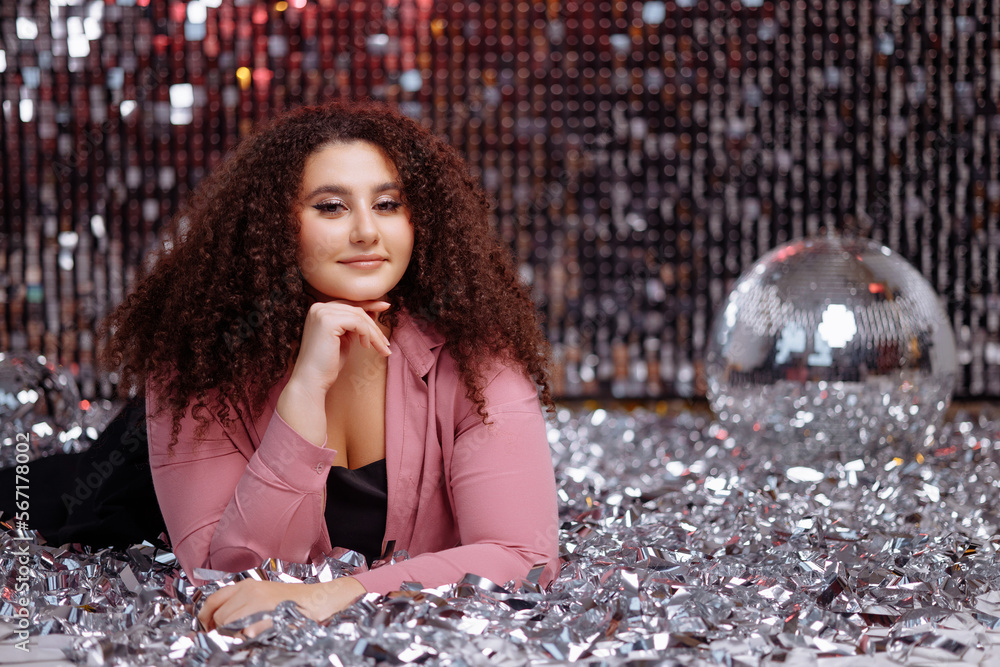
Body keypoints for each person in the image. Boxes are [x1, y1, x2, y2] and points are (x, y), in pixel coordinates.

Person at [100, 99, 560, 633]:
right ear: (272, 226)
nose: (366, 231)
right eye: (332, 207)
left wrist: (336, 595)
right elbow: (224, 581)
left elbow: (522, 557)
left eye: (387, 204)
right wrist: (303, 393)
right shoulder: (195, 365)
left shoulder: (477, 355)